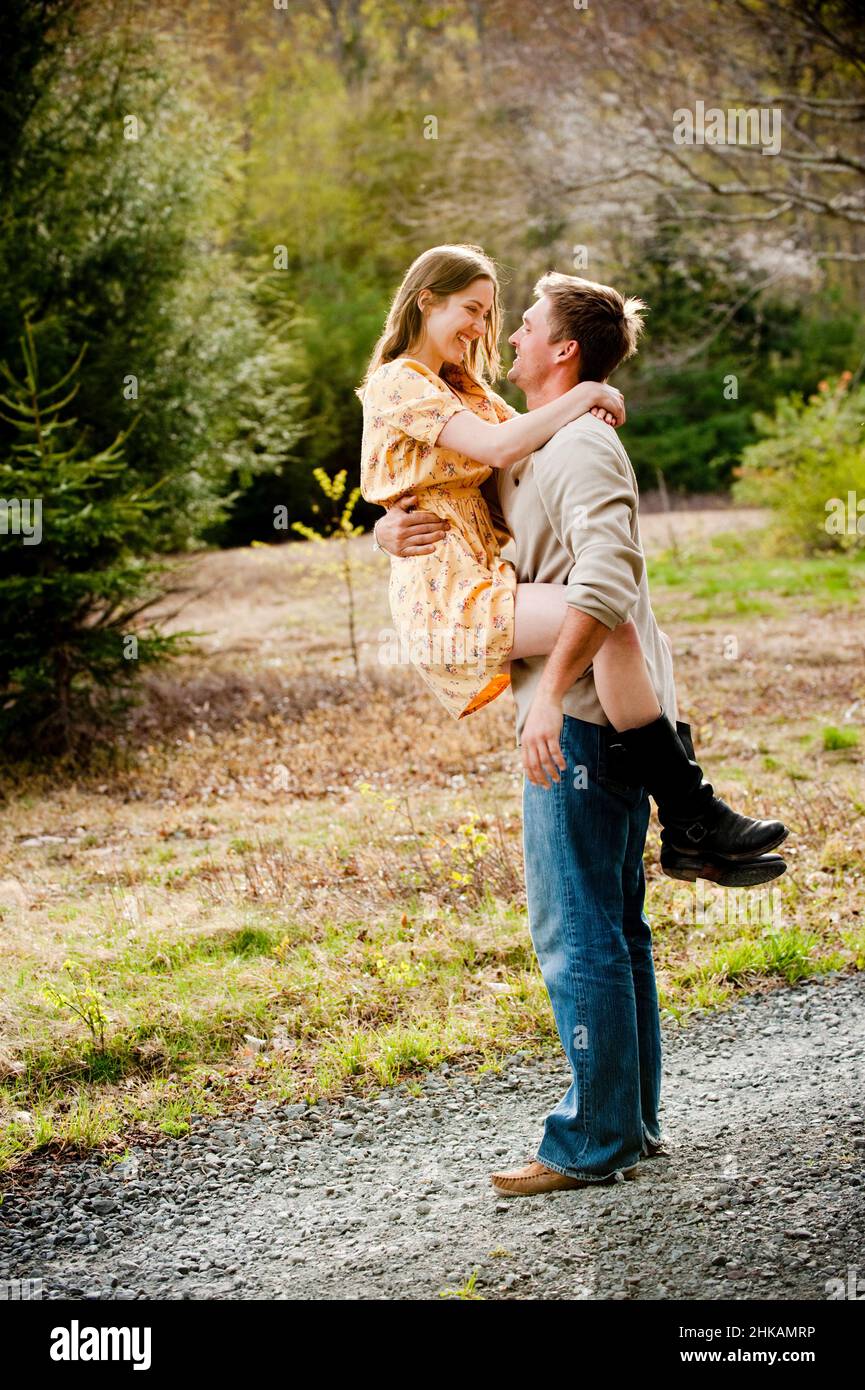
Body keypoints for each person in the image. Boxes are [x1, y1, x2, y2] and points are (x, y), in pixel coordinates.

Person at [361, 244, 787, 885]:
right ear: (426, 300)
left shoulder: (464, 389)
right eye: (471, 310)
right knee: (603, 614)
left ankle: (691, 822)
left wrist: (582, 401)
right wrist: (591, 388)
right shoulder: (399, 380)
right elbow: (504, 445)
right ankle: (692, 813)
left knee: (609, 616)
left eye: (493, 313)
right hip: (448, 595)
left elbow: (524, 443)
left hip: (480, 576)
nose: (485, 328)